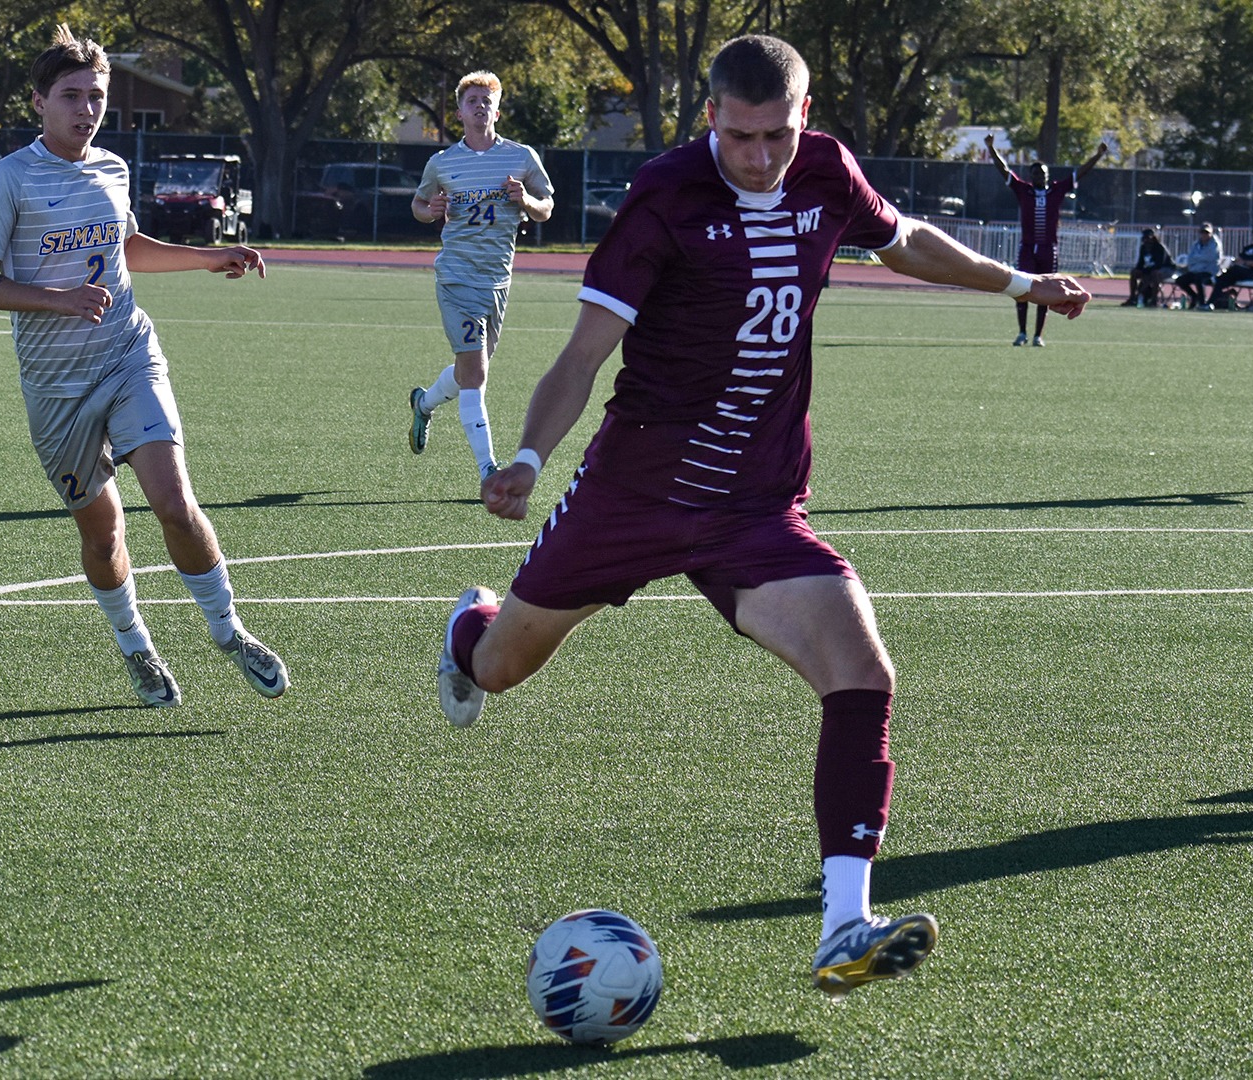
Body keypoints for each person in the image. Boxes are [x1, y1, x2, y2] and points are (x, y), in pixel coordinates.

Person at [438, 35, 1090, 997]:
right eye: (741, 137)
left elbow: (900, 237)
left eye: (778, 135)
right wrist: (528, 457)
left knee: (862, 671)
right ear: (710, 118)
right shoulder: (664, 198)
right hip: (636, 493)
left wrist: (1023, 284)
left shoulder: (824, 169)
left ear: (805, 114)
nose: (761, 156)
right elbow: (582, 358)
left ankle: (842, 923)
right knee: (500, 671)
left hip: (753, 504)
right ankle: (469, 628)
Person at [0, 25, 287, 707]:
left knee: (174, 502)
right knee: (104, 530)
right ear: (39, 101)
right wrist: (58, 299)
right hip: (56, 388)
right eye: (72, 96)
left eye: (97, 97)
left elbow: (126, 246)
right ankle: (135, 645)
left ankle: (229, 632)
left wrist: (206, 258)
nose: (86, 109)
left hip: (128, 353)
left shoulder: (112, 167)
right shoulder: (8, 180)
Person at [405, 71, 555, 480]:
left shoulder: (521, 157)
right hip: (455, 278)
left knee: (468, 371)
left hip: (498, 282)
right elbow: (418, 205)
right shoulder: (442, 163)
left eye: (486, 101)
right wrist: (430, 210)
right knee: (477, 374)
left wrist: (525, 199)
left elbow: (547, 207)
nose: (479, 106)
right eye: (472, 100)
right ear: (460, 111)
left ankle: (424, 402)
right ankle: (489, 469)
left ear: (498, 110)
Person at [984, 133, 1104, 345]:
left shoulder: (1056, 190)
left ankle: (1038, 335)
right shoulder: (1024, 190)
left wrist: (1098, 155)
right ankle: (1022, 332)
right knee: (1021, 288)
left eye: (1043, 173)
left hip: (1049, 248)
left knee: (1046, 291)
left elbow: (1080, 173)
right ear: (1031, 177)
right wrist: (991, 148)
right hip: (1028, 248)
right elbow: (1004, 170)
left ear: (1048, 175)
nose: (1040, 177)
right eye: (1036, 174)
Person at [1207, 224, 1253, 311]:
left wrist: (1246, 262)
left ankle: (1215, 279)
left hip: (1250, 273)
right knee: (1221, 282)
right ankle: (1209, 304)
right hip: (1237, 273)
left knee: (1232, 271)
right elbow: (1239, 259)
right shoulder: (1248, 248)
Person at [1173, 222, 1222, 310]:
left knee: (1199, 279)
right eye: (1202, 232)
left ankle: (1202, 303)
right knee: (1180, 280)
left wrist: (1197, 258)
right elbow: (1190, 258)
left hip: (1209, 272)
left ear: (1211, 233)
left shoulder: (1215, 244)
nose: (1204, 235)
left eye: (1207, 233)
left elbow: (1209, 257)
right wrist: (1199, 258)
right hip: (1196, 270)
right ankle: (1194, 296)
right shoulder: (1196, 244)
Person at [1125, 226, 1175, 307]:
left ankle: (1154, 300)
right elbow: (1140, 263)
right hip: (1150, 269)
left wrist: (1146, 273)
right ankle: (1132, 297)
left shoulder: (1159, 247)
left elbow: (1159, 264)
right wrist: (1139, 270)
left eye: (1148, 238)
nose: (1147, 241)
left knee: (1155, 274)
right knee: (1134, 272)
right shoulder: (1143, 248)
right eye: (1145, 238)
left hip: (1166, 269)